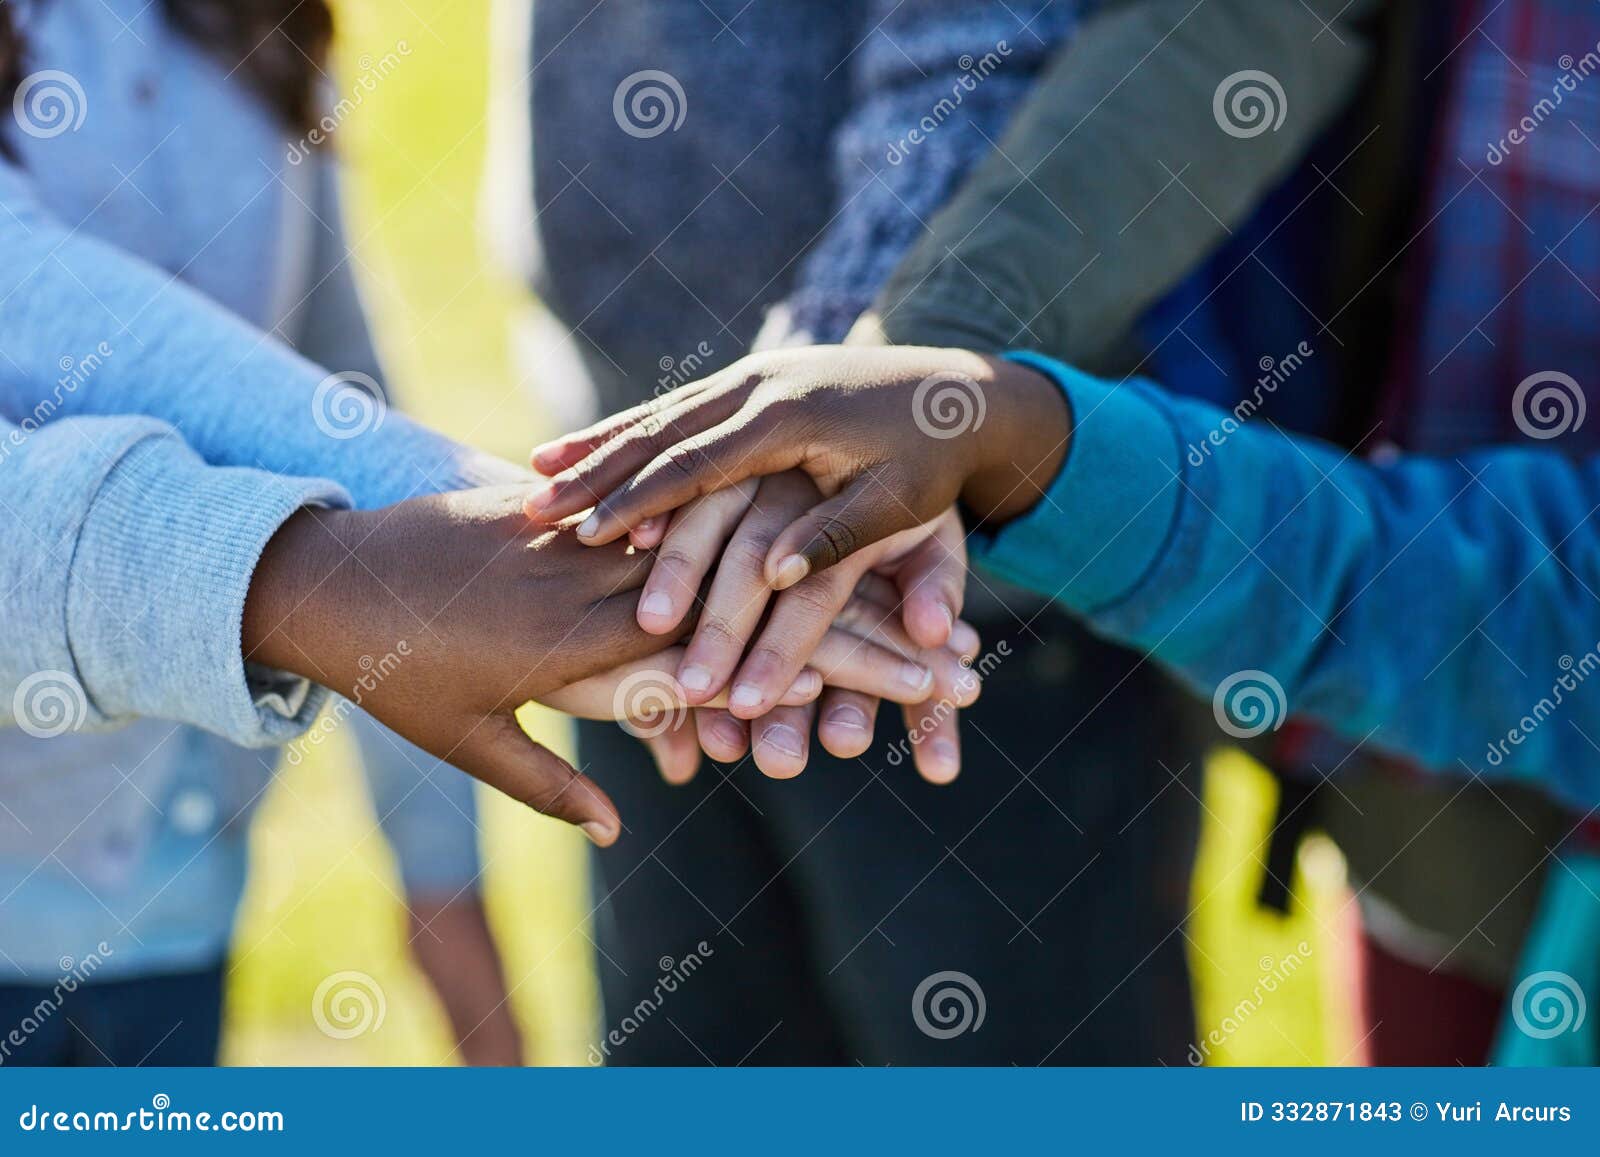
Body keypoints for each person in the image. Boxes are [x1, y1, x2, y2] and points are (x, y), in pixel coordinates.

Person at [531, 0, 1600, 1067]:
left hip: (1039, 595)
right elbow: (1251, 27)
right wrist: (922, 397)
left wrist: (968, 423)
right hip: (1391, 724)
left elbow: (1517, 603)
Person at [0, 0, 966, 1065]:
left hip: (177, 908)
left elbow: (333, 400)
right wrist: (496, 540)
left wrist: (443, 893)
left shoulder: (237, 22)